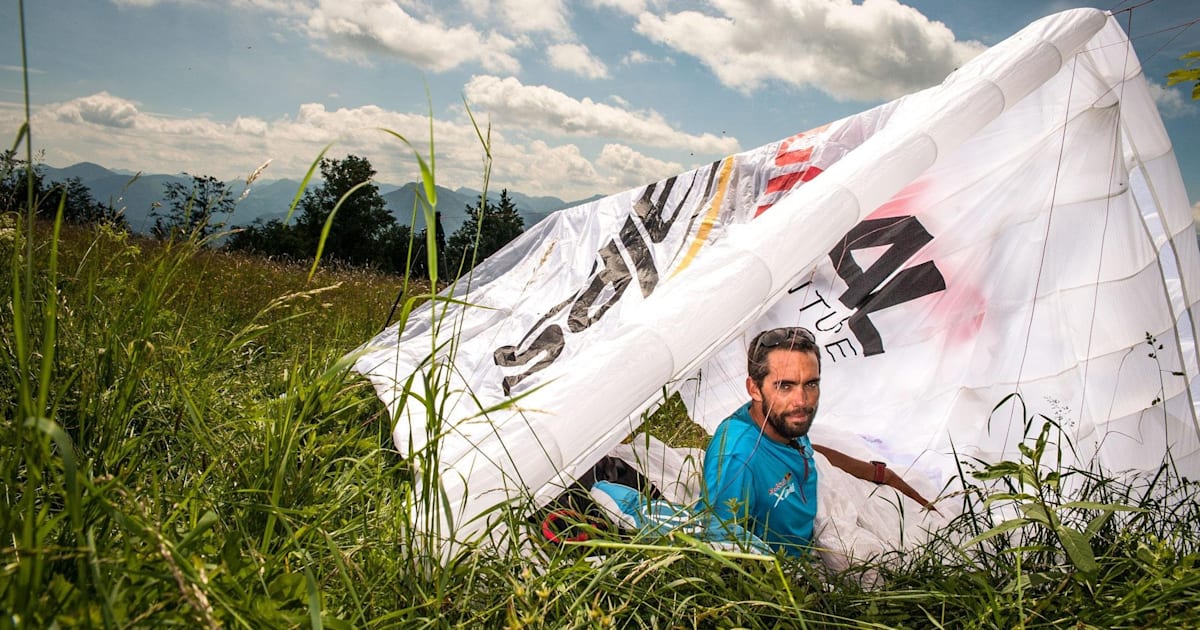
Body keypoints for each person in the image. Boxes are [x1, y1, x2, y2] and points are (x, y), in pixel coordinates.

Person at [701, 326, 935, 557]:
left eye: (811, 384)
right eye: (785, 385)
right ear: (755, 389)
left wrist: (882, 475)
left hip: (822, 520)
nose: (801, 400)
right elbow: (719, 544)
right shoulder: (737, 458)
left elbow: (808, 451)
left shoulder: (782, 419)